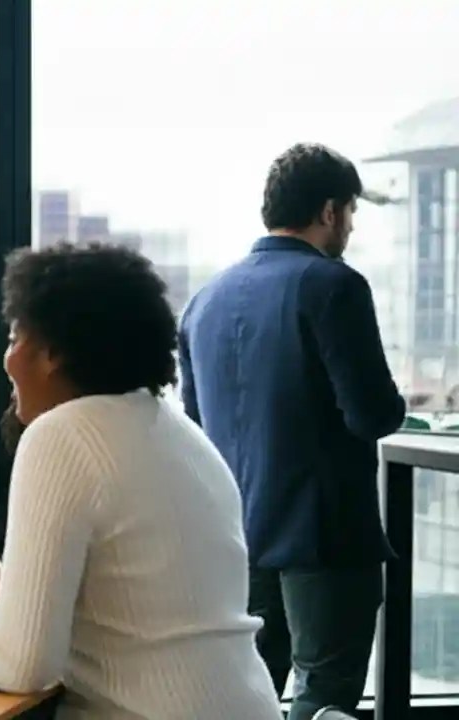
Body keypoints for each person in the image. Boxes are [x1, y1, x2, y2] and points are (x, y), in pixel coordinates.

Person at [0, 244, 279, 719]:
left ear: (52, 353)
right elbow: (140, 624)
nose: (7, 361)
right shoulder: (178, 433)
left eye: (14, 338)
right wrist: (2, 628)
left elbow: (21, 665)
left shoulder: (61, 434)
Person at [178, 143, 405, 719]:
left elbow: (197, 426)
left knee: (246, 692)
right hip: (325, 537)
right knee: (325, 692)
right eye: (350, 212)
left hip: (242, 536)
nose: (350, 227)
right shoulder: (333, 285)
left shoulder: (204, 301)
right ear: (330, 210)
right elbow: (372, 415)